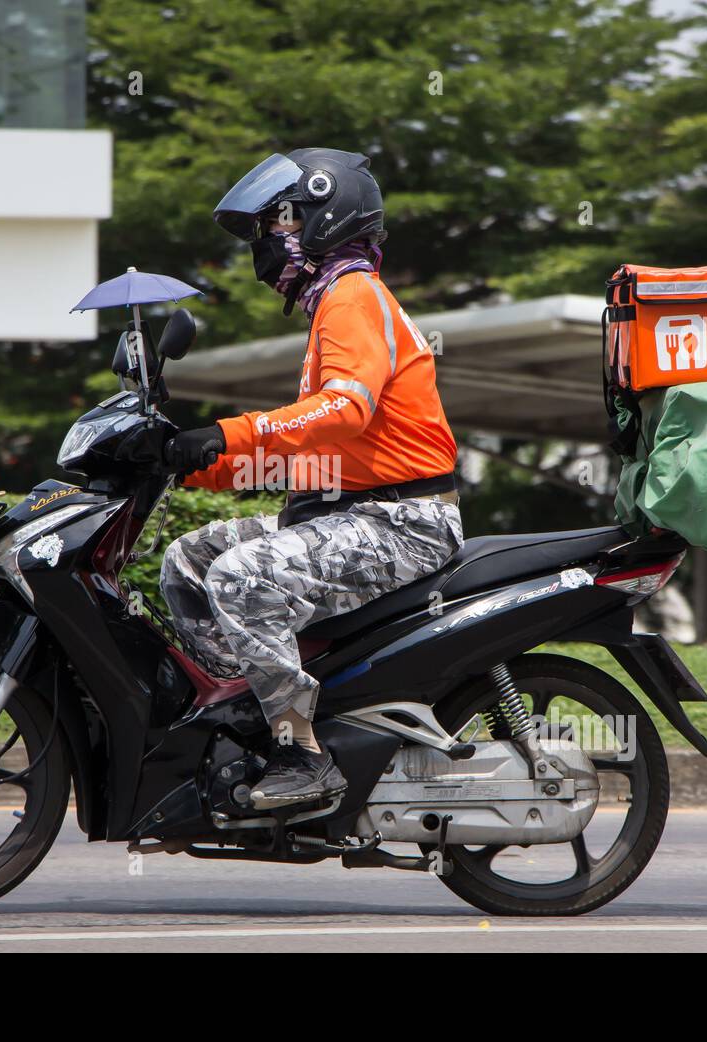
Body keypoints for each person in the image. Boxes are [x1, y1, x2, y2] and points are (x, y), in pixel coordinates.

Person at [160, 148, 462, 809]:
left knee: (243, 577)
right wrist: (192, 462)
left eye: (279, 224)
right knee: (189, 560)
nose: (268, 244)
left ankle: (302, 753)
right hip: (348, 513)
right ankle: (247, 717)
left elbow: (344, 411)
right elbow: (314, 452)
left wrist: (228, 433)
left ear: (326, 220)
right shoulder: (331, 304)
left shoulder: (353, 298)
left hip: (401, 524)